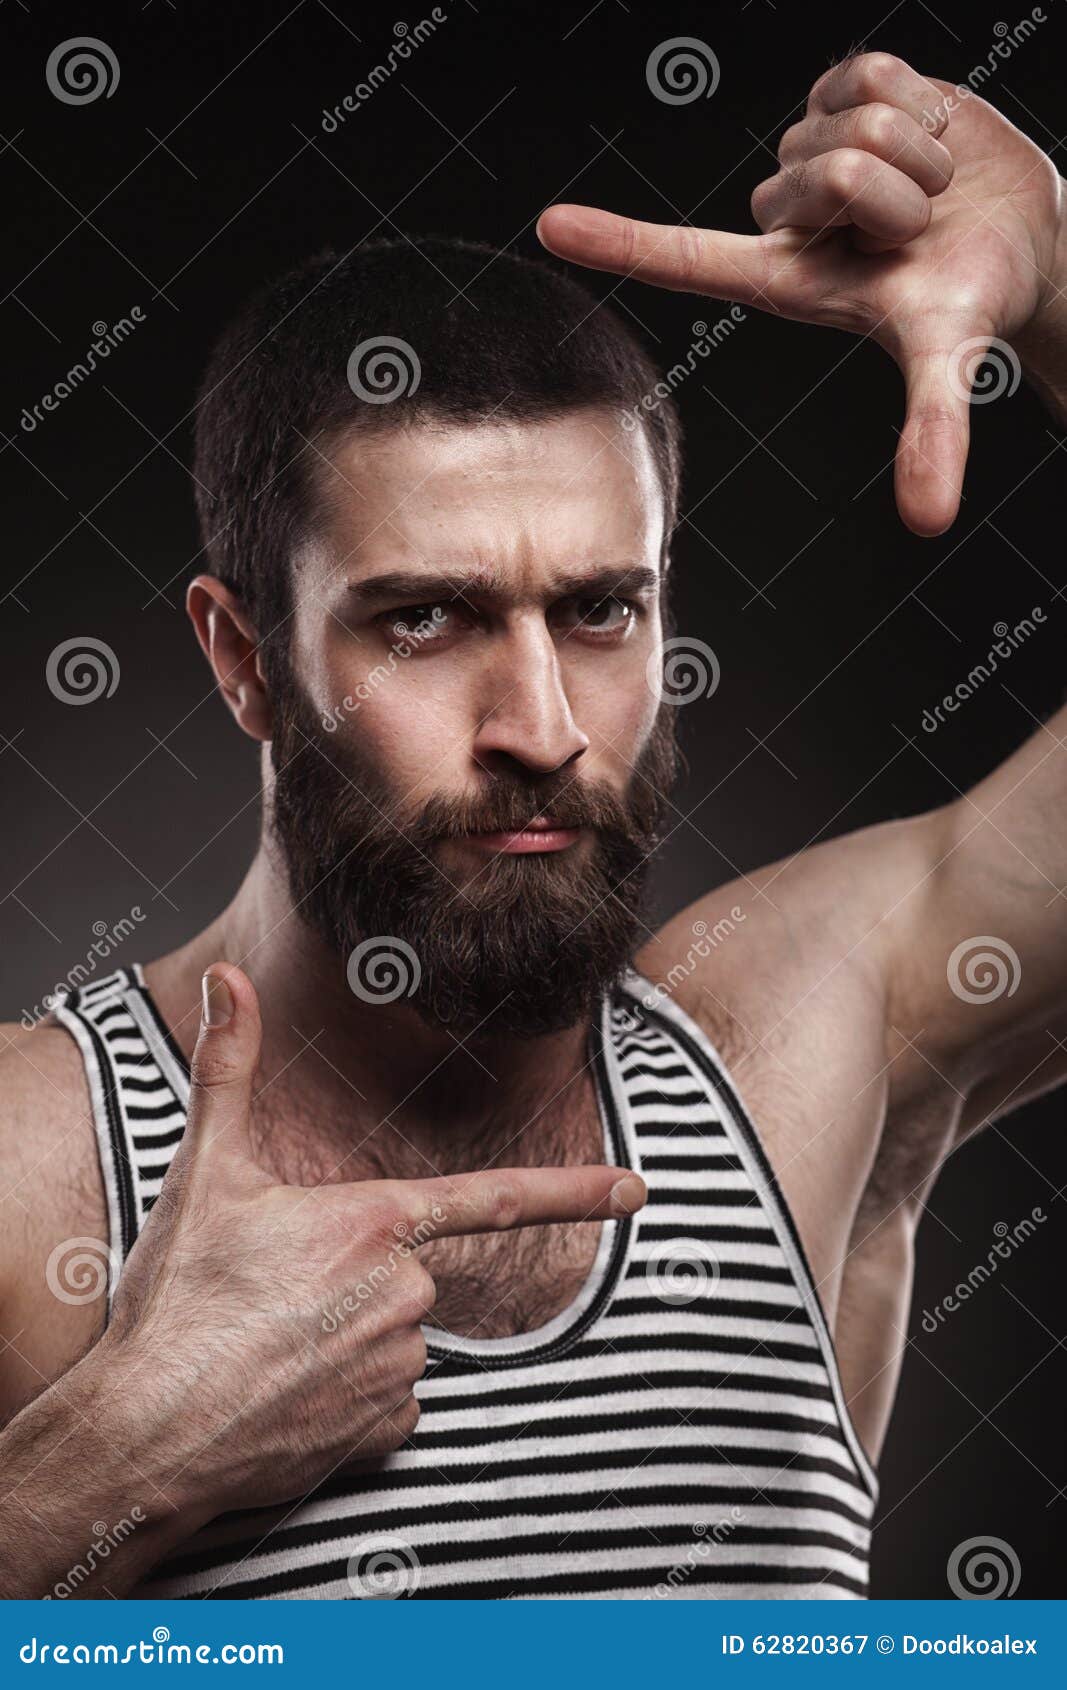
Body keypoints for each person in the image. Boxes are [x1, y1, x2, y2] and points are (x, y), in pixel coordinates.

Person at [0, 52, 1063, 1600]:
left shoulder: (808, 1049)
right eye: (425, 620)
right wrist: (106, 1466)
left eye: (602, 610)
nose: (546, 727)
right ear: (244, 658)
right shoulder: (36, 1168)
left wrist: (1058, 285)